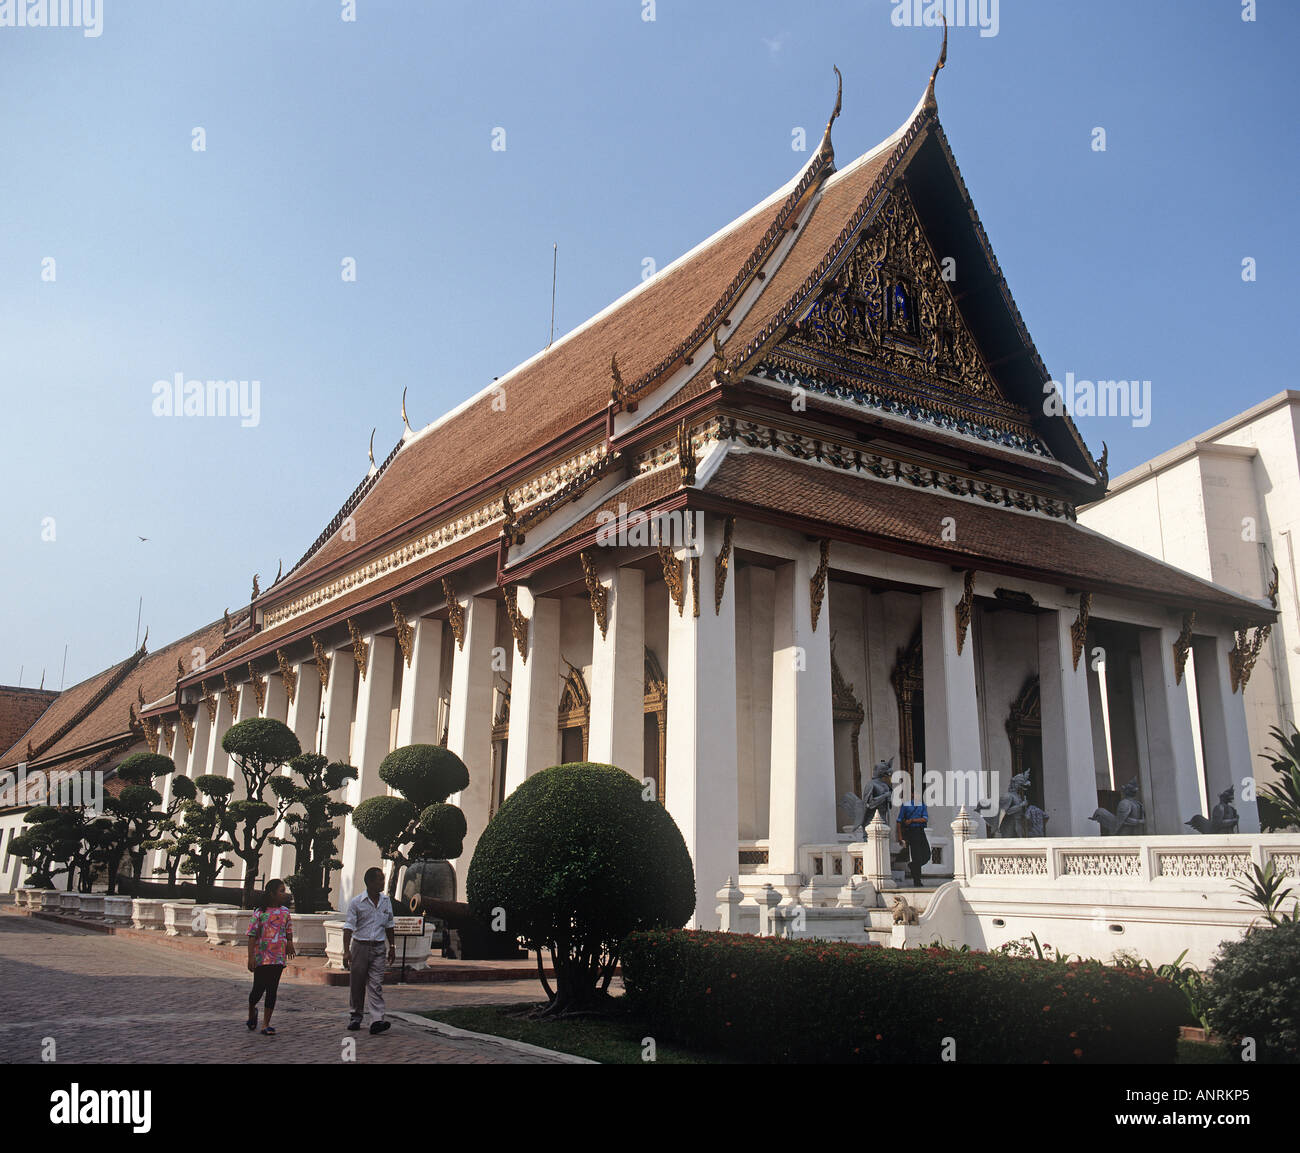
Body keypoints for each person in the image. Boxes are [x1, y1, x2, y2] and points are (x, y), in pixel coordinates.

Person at [342, 866, 397, 1035]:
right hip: (360, 946)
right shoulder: (357, 902)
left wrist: (392, 947)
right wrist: (346, 951)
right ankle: (355, 1016)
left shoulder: (386, 901)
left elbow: (389, 925)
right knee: (357, 984)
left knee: (376, 984)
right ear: (370, 882)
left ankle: (376, 1020)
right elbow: (348, 928)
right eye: (380, 879)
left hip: (379, 947)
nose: (382, 882)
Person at [246, 879, 295, 1036]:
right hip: (262, 957)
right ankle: (251, 1011)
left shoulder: (285, 912)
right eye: (281, 891)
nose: (284, 894)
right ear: (272, 893)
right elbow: (252, 936)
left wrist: (290, 943)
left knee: (272, 989)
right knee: (258, 989)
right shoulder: (260, 913)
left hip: (278, 957)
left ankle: (266, 1024)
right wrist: (251, 957)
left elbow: (288, 930)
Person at [896, 797, 930, 888]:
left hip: (920, 831)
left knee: (927, 855)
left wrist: (912, 820)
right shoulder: (906, 805)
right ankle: (917, 881)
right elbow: (899, 821)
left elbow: (925, 819)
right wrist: (900, 837)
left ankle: (912, 865)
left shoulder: (922, 805)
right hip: (911, 832)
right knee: (917, 857)